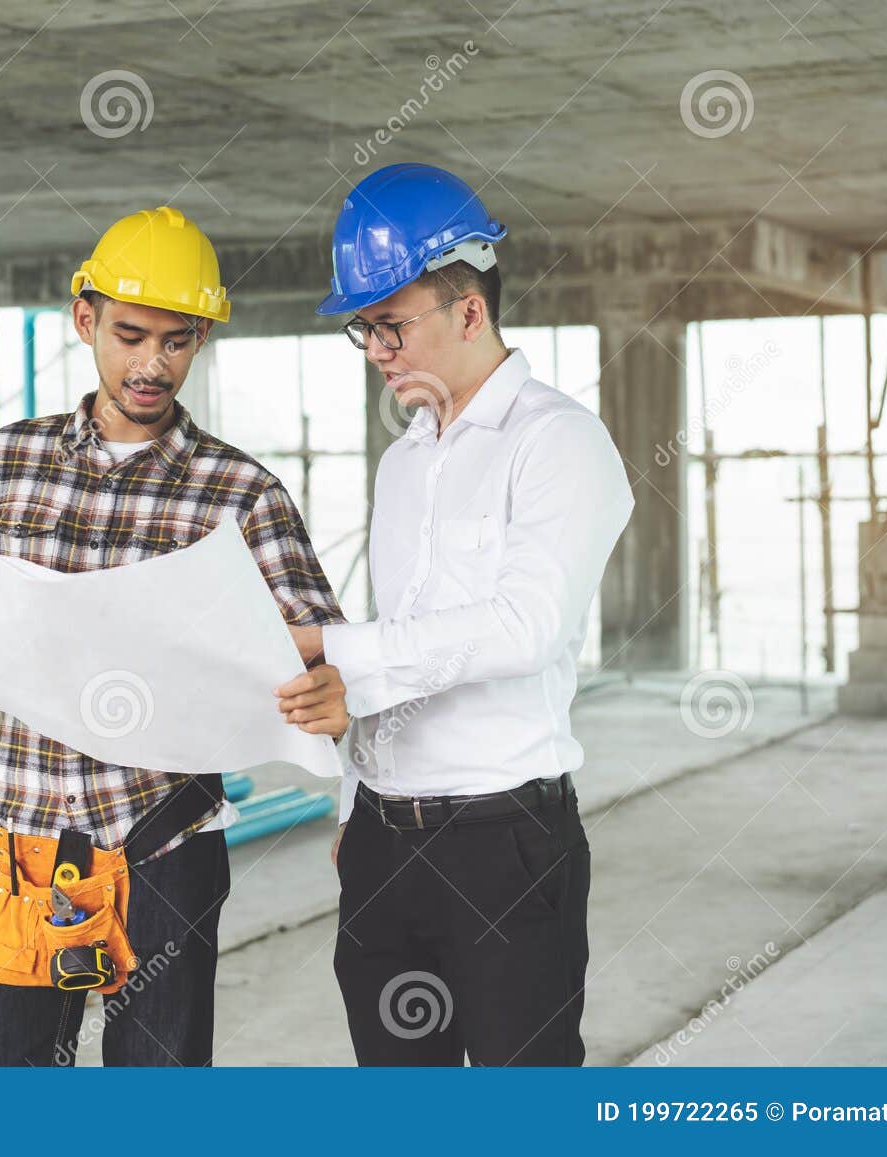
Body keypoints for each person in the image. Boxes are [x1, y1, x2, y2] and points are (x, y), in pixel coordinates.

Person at [0, 206, 350, 1066]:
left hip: (165, 845)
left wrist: (326, 685)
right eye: (131, 334)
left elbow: (322, 645)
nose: (152, 363)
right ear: (85, 319)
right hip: (25, 841)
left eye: (178, 341)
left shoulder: (240, 493)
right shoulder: (5, 461)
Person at [279, 163, 634, 1066]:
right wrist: (354, 808)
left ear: (470, 310)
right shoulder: (405, 461)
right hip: (382, 846)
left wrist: (332, 649)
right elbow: (407, 632)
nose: (375, 350)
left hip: (501, 845)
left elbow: (525, 627)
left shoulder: (559, 443)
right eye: (365, 328)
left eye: (391, 325)